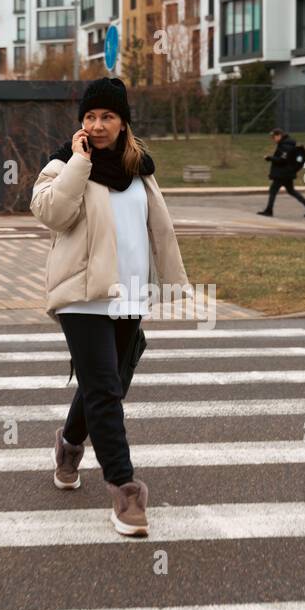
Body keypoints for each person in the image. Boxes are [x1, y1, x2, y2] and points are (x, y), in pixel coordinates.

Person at [30, 77, 190, 538]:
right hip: (82, 295)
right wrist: (79, 162)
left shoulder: (140, 167)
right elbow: (52, 214)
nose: (98, 125)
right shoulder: (63, 163)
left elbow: (158, 228)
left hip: (130, 293)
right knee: (103, 388)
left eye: (107, 117)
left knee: (111, 383)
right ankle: (125, 489)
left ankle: (69, 443)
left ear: (123, 123)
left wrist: (172, 282)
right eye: (90, 116)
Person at [258, 127, 305, 218]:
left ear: (279, 135)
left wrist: (269, 158)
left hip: (283, 173)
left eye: (274, 137)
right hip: (287, 172)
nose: (273, 139)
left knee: (273, 190)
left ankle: (269, 210)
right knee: (291, 191)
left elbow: (282, 160)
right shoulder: (286, 143)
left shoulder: (285, 145)